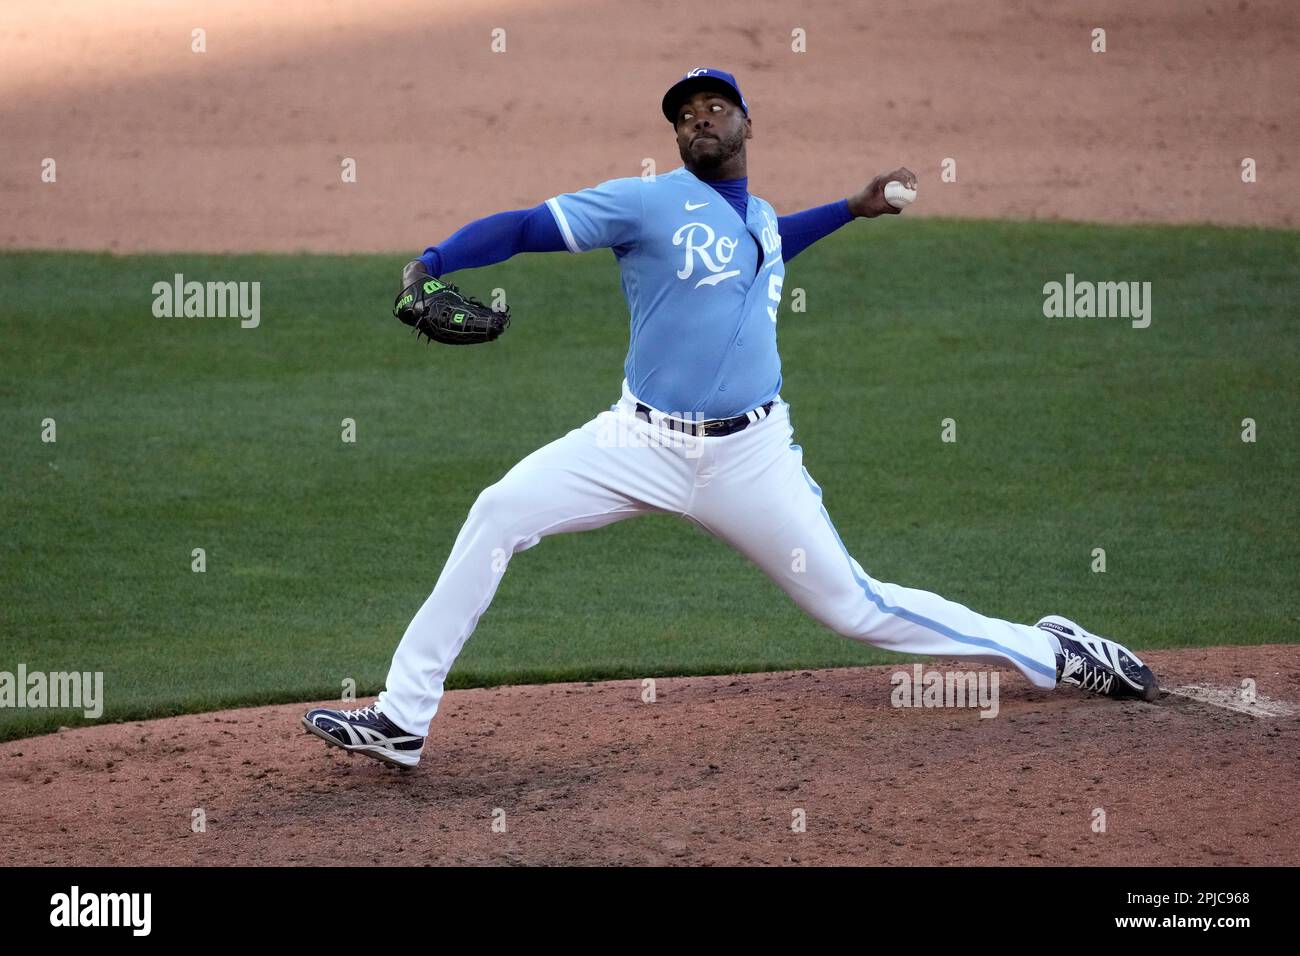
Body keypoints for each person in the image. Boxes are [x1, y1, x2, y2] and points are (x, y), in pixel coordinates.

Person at [303, 68, 1158, 769]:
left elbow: (769, 238)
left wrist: (850, 211)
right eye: (685, 114)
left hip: (752, 459)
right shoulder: (644, 203)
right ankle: (402, 716)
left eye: (715, 107)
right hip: (634, 441)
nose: (699, 120)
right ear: (675, 137)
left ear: (747, 122)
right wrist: (434, 260)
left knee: (855, 608)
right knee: (497, 512)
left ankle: (1052, 649)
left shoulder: (754, 219)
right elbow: (529, 225)